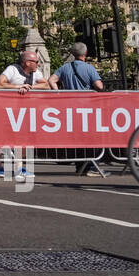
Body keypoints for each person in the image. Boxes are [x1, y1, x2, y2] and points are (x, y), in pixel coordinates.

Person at [50, 42, 105, 177]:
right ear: (85, 54)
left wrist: (59, 94)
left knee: (78, 138)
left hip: (70, 107)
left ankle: (80, 167)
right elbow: (100, 86)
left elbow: (51, 80)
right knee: (91, 138)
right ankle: (90, 167)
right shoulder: (89, 68)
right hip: (87, 107)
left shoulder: (64, 68)